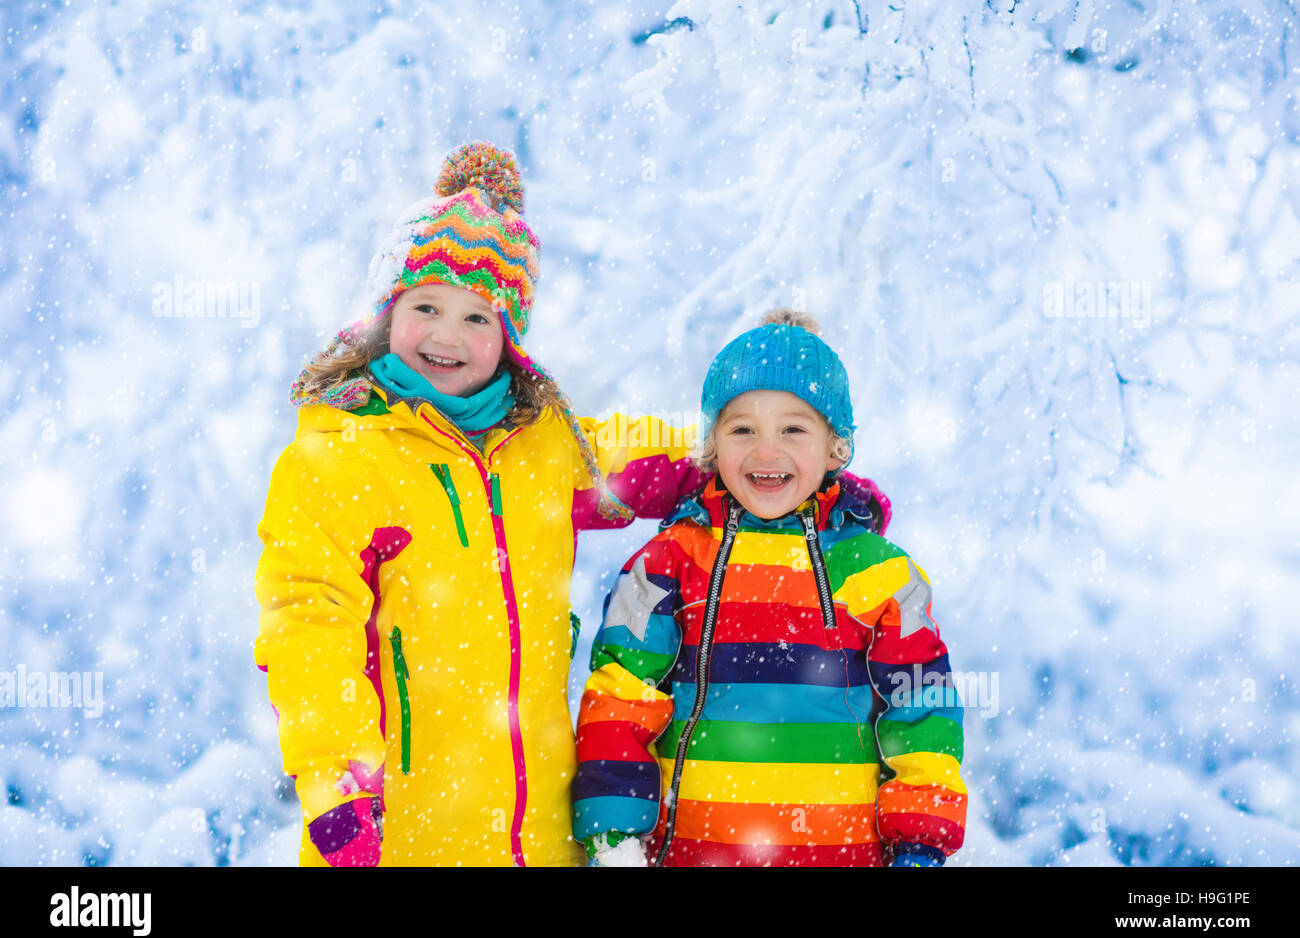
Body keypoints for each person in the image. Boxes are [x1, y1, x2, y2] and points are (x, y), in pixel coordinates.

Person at [253, 142, 709, 866]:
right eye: (425, 305)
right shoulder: (338, 456)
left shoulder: (541, 447)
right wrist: (339, 781)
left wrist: (749, 449)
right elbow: (309, 627)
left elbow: (627, 459)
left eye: (477, 318)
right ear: (386, 312)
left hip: (541, 841)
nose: (446, 335)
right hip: (401, 837)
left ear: (510, 341)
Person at [571, 309, 967, 866]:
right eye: (742, 429)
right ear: (711, 447)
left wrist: (921, 843)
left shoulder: (881, 574)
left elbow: (923, 707)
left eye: (793, 429)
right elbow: (619, 696)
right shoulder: (670, 563)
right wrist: (615, 841)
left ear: (835, 448)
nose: (765, 450)